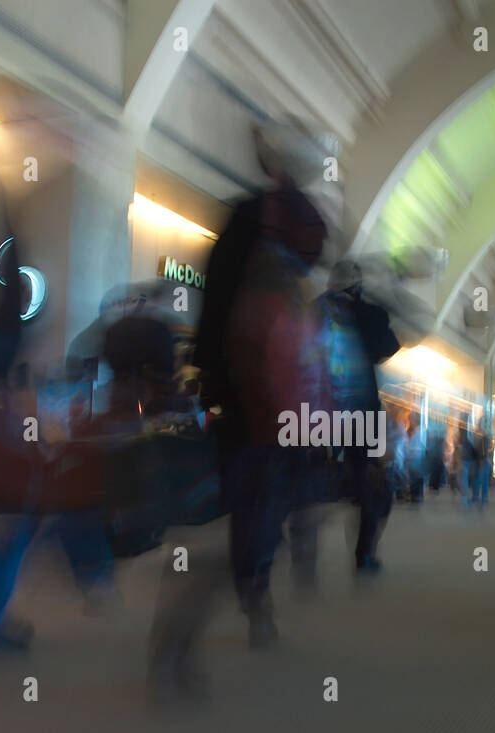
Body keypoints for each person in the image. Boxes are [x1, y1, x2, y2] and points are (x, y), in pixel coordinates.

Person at [193, 119, 329, 648]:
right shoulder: (313, 225)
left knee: (241, 488)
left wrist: (208, 369)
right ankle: (260, 585)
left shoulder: (245, 215)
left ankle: (246, 581)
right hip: (288, 388)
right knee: (271, 489)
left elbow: (216, 294)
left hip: (239, 380)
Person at [315, 260, 400, 571]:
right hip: (362, 409)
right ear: (358, 285)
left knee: (306, 478)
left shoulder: (314, 311)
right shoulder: (369, 314)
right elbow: (388, 347)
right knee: (374, 484)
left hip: (316, 409)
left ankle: (299, 557)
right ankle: (364, 553)